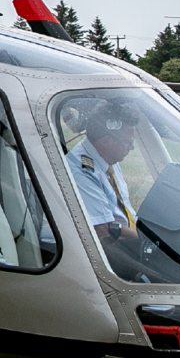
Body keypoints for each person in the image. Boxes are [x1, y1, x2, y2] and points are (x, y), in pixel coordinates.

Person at [65, 101, 144, 272]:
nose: (131, 148)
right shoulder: (81, 170)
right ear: (107, 141)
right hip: (109, 249)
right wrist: (149, 242)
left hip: (128, 239)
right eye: (128, 143)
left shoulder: (107, 158)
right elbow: (103, 229)